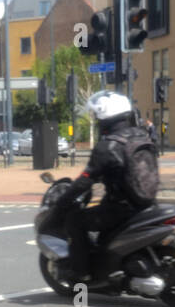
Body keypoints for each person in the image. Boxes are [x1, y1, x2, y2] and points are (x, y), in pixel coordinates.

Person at [51, 91, 153, 282]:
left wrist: (63, 201)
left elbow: (85, 180)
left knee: (75, 220)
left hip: (121, 208)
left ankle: (81, 273)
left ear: (105, 118)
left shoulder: (108, 146)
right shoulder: (142, 136)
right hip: (147, 202)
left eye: (97, 116)